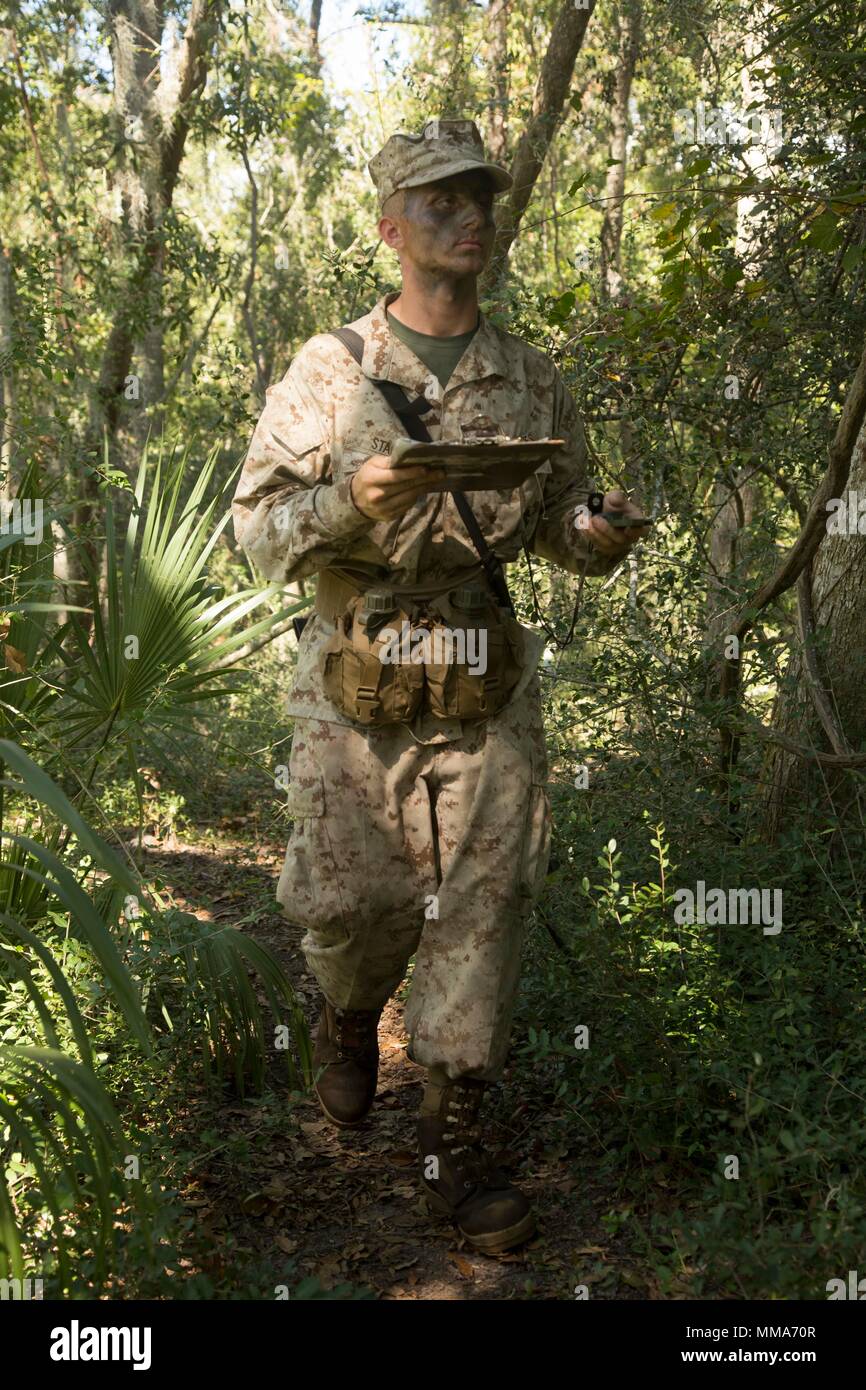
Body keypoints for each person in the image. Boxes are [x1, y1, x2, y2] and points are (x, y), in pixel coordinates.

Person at [231, 117, 648, 1255]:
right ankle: (347, 1011)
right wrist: (347, 503)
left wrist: (593, 531)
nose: (466, 219)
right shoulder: (330, 372)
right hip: (352, 677)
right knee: (350, 905)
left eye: (478, 201)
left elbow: (557, 521)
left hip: (481, 677)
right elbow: (255, 535)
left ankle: (450, 1149)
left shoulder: (530, 377)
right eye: (438, 202)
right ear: (389, 227)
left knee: (482, 906)